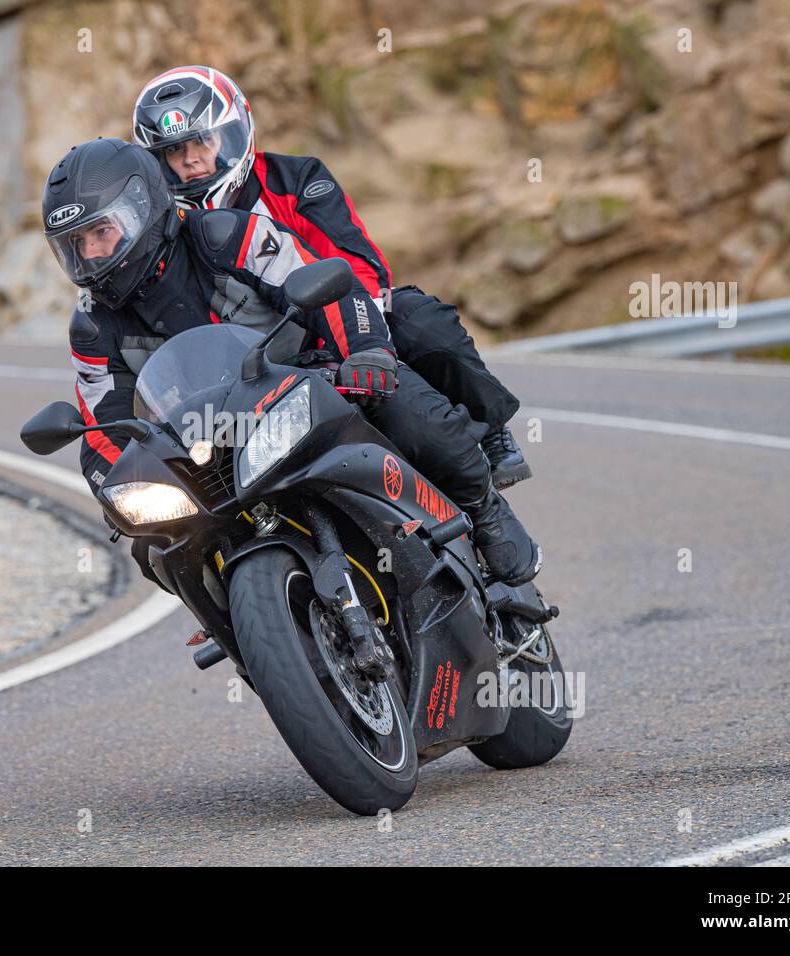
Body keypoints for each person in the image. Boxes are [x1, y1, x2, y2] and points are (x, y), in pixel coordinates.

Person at [45, 137, 541, 586]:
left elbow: (328, 286)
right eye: (76, 245)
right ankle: (243, 634)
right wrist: (121, 486)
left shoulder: (224, 235)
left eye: (100, 233)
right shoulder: (92, 324)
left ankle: (486, 510)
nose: (90, 254)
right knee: (151, 544)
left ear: (141, 208)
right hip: (211, 446)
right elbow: (106, 430)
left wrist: (366, 352)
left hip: (306, 385)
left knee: (405, 404)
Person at [130, 65, 531, 488]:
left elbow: (355, 260)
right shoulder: (166, 225)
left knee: (415, 314)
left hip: (343, 326)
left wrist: (357, 342)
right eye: (175, 151)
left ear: (233, 132)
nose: (192, 159)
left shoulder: (296, 179)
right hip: (254, 359)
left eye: (202, 141)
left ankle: (490, 432)